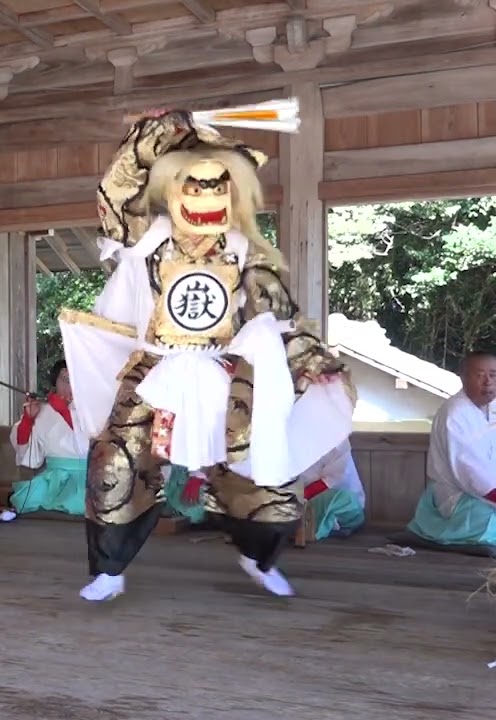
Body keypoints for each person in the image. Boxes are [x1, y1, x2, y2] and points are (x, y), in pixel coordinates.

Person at [58, 107, 357, 601]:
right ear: (172, 190)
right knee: (115, 463)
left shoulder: (246, 252)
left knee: (261, 466)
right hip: (154, 368)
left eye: (216, 185)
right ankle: (109, 570)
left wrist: (313, 362)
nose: (205, 196)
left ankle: (259, 555)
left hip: (223, 372)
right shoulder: (148, 240)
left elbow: (279, 317)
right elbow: (114, 195)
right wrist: (152, 132)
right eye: (193, 186)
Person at [406, 350, 496, 546]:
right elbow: (471, 473)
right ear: (463, 378)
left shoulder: (493, 407)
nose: (488, 382)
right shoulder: (455, 414)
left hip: (489, 493)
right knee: (487, 520)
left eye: (493, 375)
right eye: (480, 375)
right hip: (461, 497)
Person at [9, 360, 90, 516]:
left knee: (79, 502)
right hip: (53, 478)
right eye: (64, 380)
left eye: (74, 379)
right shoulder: (44, 410)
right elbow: (28, 453)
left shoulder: (92, 409)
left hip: (87, 478)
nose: (69, 386)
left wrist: (63, 411)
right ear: (55, 382)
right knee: (25, 499)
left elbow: (89, 439)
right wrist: (28, 420)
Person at [298, 439, 366, 540]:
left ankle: (308, 527)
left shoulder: (337, 439)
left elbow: (332, 479)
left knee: (345, 499)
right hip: (303, 501)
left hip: (344, 505)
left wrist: (298, 497)